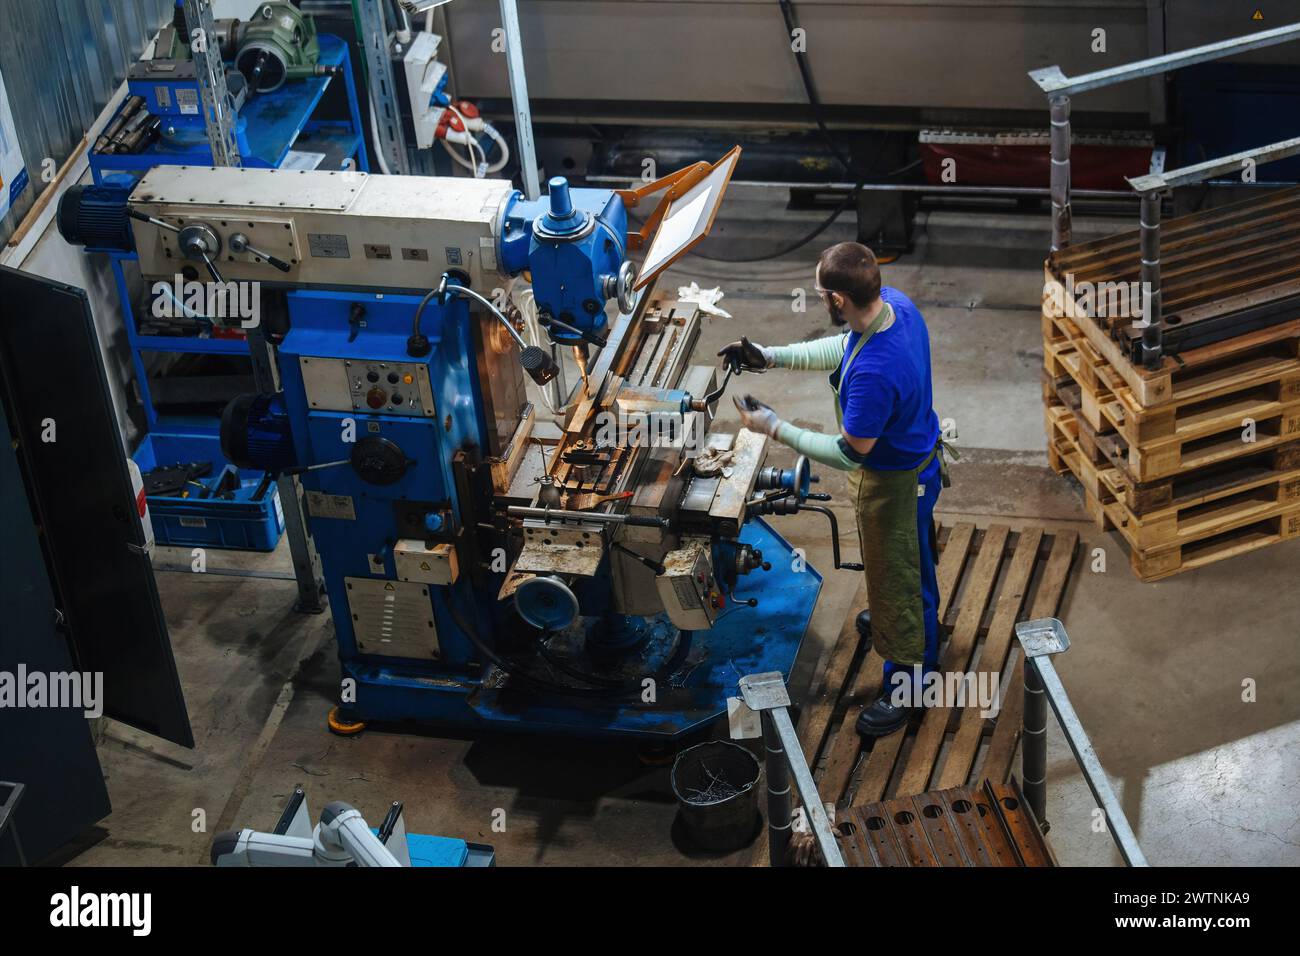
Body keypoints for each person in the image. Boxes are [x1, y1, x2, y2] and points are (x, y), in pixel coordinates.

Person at [720, 241, 950, 737]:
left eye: (823, 293)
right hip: (916, 468)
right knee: (909, 565)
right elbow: (844, 348)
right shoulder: (896, 308)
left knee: (898, 586)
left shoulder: (874, 376)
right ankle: (918, 624)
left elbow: (849, 452)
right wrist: (768, 357)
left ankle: (910, 683)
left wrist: (774, 427)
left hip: (894, 483)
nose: (820, 299)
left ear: (839, 300)